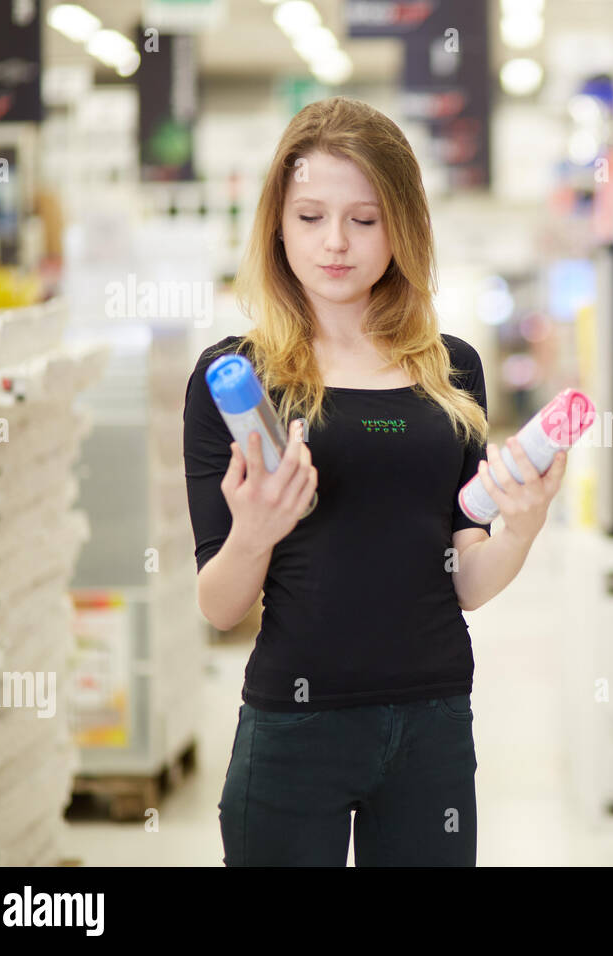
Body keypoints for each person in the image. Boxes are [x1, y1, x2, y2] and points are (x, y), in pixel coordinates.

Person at [181, 97, 567, 866]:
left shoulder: (452, 369)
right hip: (295, 727)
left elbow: (465, 578)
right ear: (277, 225)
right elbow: (221, 607)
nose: (335, 244)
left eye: (364, 220)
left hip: (433, 723)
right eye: (311, 216)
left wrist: (522, 526)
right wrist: (256, 532)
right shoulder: (238, 380)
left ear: (403, 227)